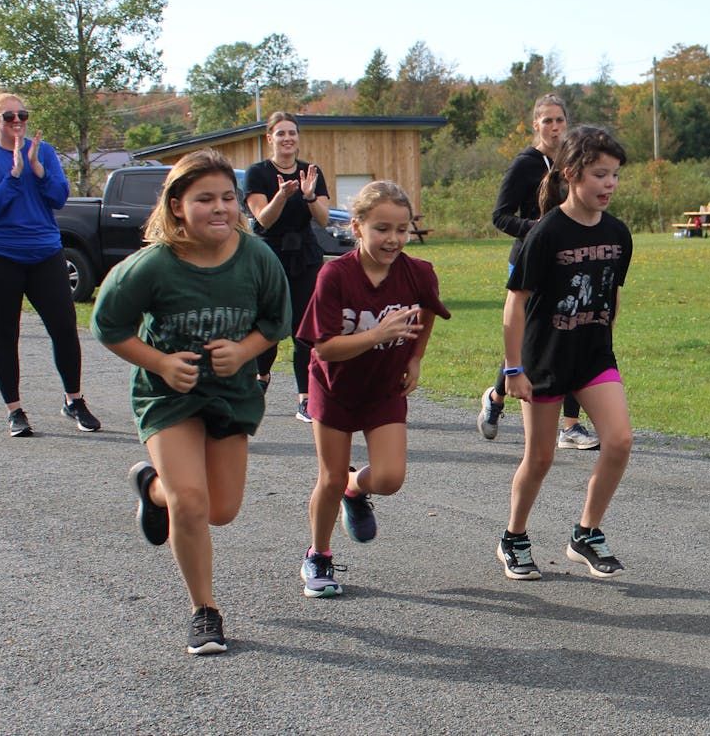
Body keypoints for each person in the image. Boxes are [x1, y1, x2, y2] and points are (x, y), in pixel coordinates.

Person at [91, 149, 291, 654]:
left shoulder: (256, 257)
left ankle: (152, 488)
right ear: (177, 205)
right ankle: (205, 610)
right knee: (191, 502)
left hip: (231, 394)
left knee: (221, 510)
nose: (220, 207)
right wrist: (159, 362)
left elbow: (277, 321)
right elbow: (108, 326)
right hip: (169, 396)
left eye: (228, 196)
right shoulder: (152, 266)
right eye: (205, 198)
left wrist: (244, 350)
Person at [296, 181, 450, 597]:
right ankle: (319, 556)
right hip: (335, 386)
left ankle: (356, 487)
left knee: (389, 478)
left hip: (384, 385)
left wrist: (415, 357)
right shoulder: (335, 275)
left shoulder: (418, 273)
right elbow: (325, 347)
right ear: (358, 226)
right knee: (328, 477)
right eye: (383, 228)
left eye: (402, 229)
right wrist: (378, 333)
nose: (394, 239)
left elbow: (429, 313)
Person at [495, 126, 634, 581]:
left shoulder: (618, 233)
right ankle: (513, 537)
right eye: (600, 174)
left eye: (614, 175)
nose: (609, 184)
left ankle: (586, 533)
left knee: (619, 441)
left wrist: (603, 336)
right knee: (540, 459)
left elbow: (611, 294)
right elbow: (516, 303)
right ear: (572, 174)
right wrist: (513, 368)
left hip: (594, 356)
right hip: (544, 360)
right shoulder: (547, 232)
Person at [0, 93, 101, 438]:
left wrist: (38, 170)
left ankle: (74, 400)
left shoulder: (45, 152)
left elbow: (57, 197)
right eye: (8, 116)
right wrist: (14, 175)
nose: (17, 121)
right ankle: (15, 411)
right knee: (5, 333)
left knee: (64, 326)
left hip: (43, 251)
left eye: (22, 114)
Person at [477, 94, 599, 450]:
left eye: (560, 120)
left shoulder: (574, 161)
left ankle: (571, 425)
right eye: (547, 121)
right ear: (536, 125)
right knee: (530, 337)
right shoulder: (525, 164)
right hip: (530, 258)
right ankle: (497, 397)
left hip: (571, 257)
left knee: (574, 328)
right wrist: (537, 229)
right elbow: (500, 216)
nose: (555, 127)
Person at [243, 111, 331, 423]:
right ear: (270, 138)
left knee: (304, 330)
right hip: (270, 256)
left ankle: (305, 398)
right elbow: (262, 220)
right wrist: (281, 195)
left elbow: (323, 219)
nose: (287, 139)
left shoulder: (311, 171)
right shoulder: (258, 174)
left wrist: (309, 197)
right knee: (270, 324)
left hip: (305, 256)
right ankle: (261, 376)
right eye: (281, 133)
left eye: (292, 133)